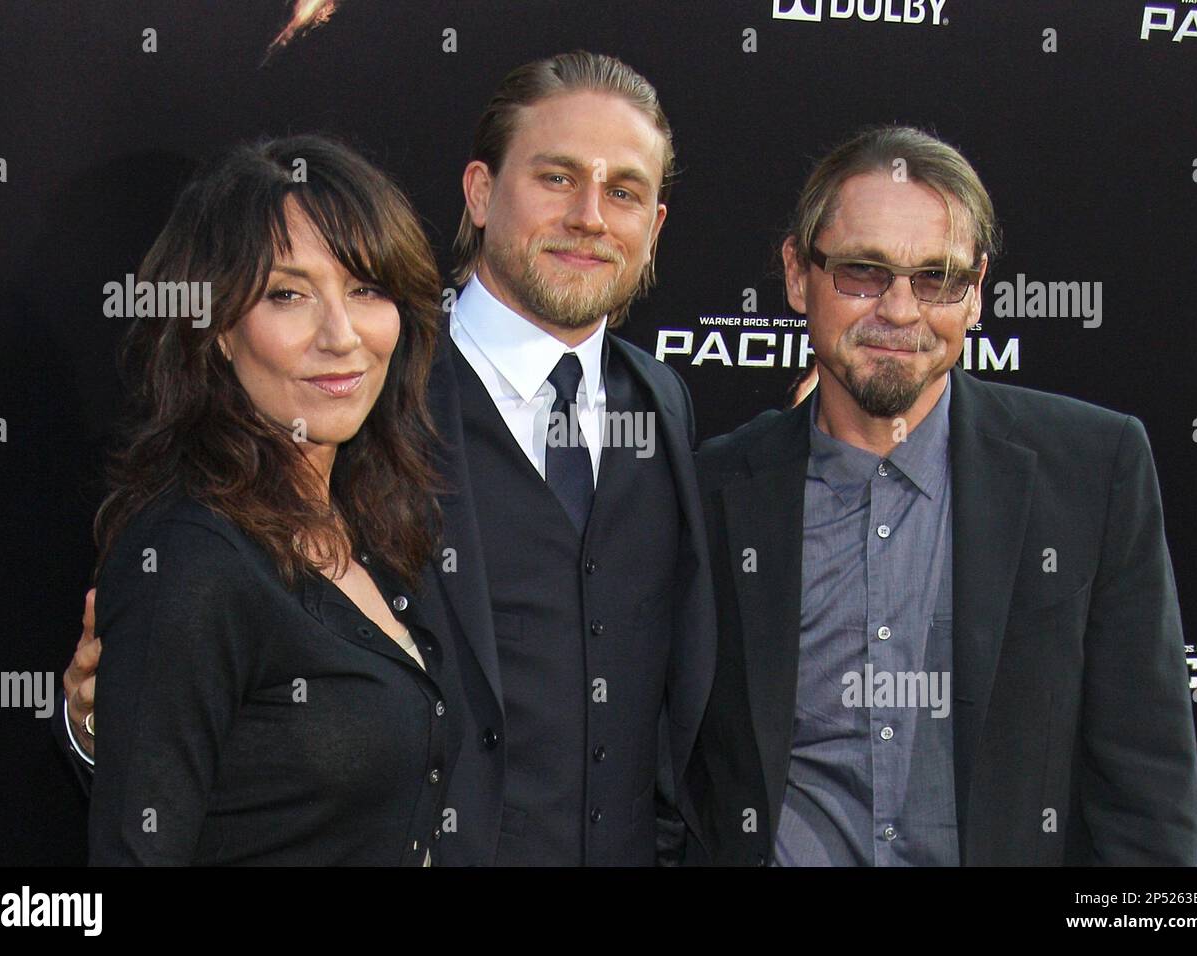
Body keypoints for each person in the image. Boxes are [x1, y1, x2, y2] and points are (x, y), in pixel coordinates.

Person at [58, 52, 717, 866]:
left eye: (623, 190)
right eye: (555, 177)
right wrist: (108, 728)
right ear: (479, 192)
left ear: (653, 224)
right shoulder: (367, 395)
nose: (590, 215)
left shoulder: (661, 402)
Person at [685, 125, 1197, 866]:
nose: (900, 311)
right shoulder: (713, 493)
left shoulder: (1093, 471)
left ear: (977, 292)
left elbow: (1146, 793)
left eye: (937, 278)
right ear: (798, 275)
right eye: (863, 273)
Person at [77, 134, 457, 864]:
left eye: (366, 288)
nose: (341, 336)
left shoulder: (376, 523)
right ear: (219, 328)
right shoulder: (193, 561)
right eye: (288, 294)